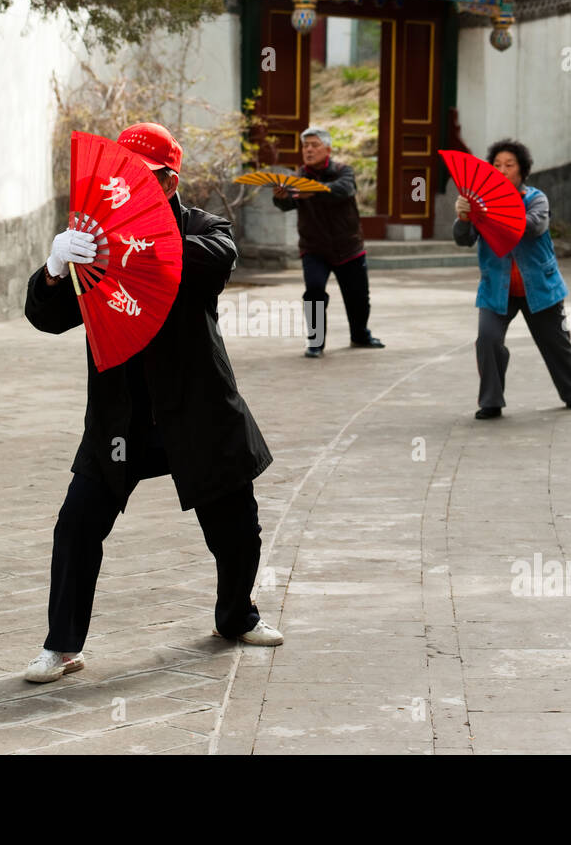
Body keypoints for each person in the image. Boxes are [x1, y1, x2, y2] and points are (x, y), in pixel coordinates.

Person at [22, 122, 283, 684]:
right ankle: (62, 646)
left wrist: (124, 246)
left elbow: (204, 260)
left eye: (152, 176)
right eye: (130, 174)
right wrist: (55, 268)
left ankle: (236, 617)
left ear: (171, 179)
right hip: (122, 417)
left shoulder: (204, 230)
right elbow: (47, 317)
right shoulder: (92, 242)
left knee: (237, 529)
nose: (141, 184)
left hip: (198, 409)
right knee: (76, 527)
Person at [452, 138, 571, 419]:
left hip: (540, 287)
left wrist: (492, 213)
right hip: (497, 288)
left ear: (522, 170)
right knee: (488, 340)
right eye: (496, 165)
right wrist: (465, 217)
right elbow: (463, 240)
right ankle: (491, 402)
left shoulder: (536, 198)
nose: (502, 169)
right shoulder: (478, 202)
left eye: (509, 164)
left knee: (557, 344)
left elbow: (533, 226)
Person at [272, 126, 383, 358]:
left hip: (348, 246)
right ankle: (315, 341)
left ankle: (360, 334)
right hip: (314, 248)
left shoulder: (344, 171)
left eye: (314, 145)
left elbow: (345, 189)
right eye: (305, 146)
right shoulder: (298, 178)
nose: (309, 150)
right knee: (313, 291)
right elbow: (289, 205)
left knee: (358, 297)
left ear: (328, 149)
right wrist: (280, 198)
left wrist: (313, 190)